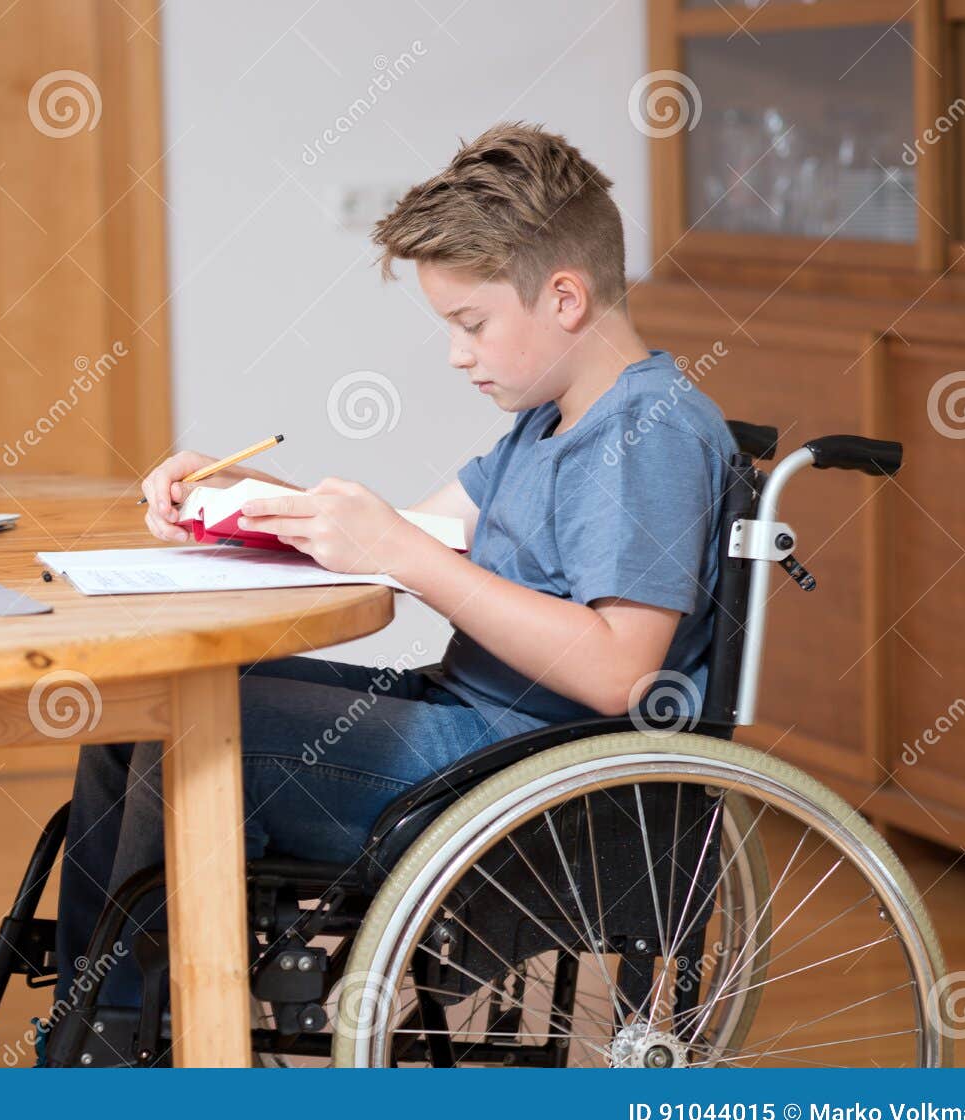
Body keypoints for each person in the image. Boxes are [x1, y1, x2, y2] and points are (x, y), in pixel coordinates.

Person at [52, 121, 738, 1016]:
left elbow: (619, 668)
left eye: (471, 324)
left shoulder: (643, 439)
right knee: (154, 698)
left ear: (565, 297)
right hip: (473, 729)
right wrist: (242, 493)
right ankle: (90, 1020)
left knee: (191, 730)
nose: (458, 353)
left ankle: (119, 1040)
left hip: (531, 777)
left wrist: (400, 551)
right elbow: (412, 529)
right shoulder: (555, 422)